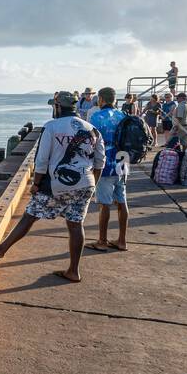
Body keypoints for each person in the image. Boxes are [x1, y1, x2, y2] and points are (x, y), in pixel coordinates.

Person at [0, 91, 105, 283]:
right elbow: (99, 161)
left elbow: (42, 160)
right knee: (75, 224)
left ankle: (0, 249)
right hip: (86, 183)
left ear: (57, 107)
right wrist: (92, 184)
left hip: (57, 184)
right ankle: (73, 271)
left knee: (30, 216)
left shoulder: (52, 127)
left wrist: (36, 184)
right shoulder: (92, 129)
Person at [86, 87, 129, 252]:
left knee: (104, 203)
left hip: (106, 162)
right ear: (115, 100)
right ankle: (122, 241)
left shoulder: (96, 117)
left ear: (101, 100)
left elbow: (92, 142)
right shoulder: (123, 116)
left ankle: (102, 241)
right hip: (123, 160)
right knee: (122, 201)